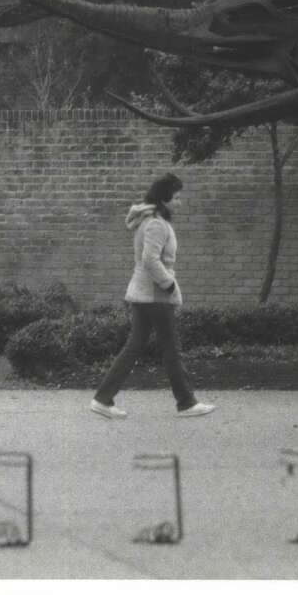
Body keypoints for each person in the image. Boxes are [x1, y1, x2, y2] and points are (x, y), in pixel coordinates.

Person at [90, 172, 216, 420]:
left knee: (135, 347)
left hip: (142, 294)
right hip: (156, 295)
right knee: (171, 349)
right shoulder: (156, 223)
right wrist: (169, 285)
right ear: (165, 199)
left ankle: (103, 398)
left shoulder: (149, 221)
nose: (179, 202)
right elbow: (150, 259)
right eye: (176, 197)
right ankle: (186, 403)